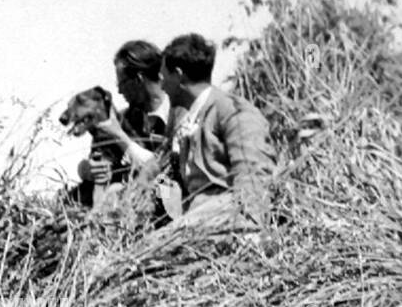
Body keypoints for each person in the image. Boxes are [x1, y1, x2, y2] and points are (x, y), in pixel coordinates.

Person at [94, 32, 276, 231]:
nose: (160, 84)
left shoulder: (232, 111)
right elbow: (161, 160)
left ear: (178, 75)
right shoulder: (186, 115)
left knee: (151, 249)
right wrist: (136, 190)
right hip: (194, 215)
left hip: (224, 213)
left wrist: (251, 226)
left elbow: (253, 173)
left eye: (163, 77)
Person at [75, 39, 175, 212]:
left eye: (122, 84)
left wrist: (119, 135)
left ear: (139, 79)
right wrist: (88, 169)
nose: (120, 92)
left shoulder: (177, 115)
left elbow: (161, 168)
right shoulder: (123, 118)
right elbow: (97, 160)